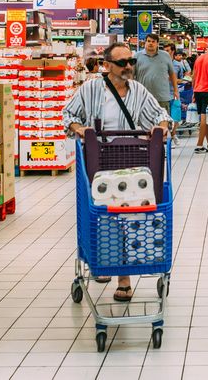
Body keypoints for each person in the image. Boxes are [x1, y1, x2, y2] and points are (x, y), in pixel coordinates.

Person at [63, 42, 171, 302]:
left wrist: (163, 126)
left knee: (129, 215)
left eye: (131, 61)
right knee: (102, 214)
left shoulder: (139, 91)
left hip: (132, 162)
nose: (128, 67)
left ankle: (123, 277)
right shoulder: (89, 90)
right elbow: (69, 114)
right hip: (98, 162)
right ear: (107, 65)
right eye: (122, 63)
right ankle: (103, 261)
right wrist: (80, 129)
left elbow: (160, 114)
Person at [135, 34, 178, 116]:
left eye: (153, 42)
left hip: (162, 97)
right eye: (148, 41)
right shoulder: (137, 56)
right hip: (143, 97)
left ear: (157, 43)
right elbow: (131, 76)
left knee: (164, 123)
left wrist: (176, 90)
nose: (151, 43)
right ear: (145, 42)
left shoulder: (165, 55)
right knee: (144, 125)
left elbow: (172, 74)